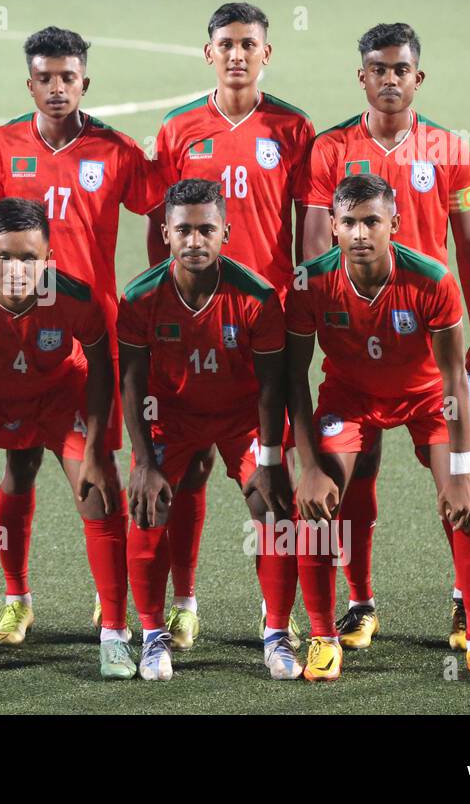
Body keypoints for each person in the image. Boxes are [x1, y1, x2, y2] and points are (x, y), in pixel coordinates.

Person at [0, 26, 167, 642]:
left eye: (67, 78)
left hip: (92, 340)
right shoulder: (1, 145)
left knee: (98, 472)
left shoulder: (116, 150)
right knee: (18, 468)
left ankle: (113, 616)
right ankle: (17, 598)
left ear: (85, 82)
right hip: (17, 336)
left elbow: (162, 207)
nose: (56, 88)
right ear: (30, 83)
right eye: (45, 78)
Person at [302, 23, 470, 651]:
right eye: (378, 69)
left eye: (400, 69)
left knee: (461, 485)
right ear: (362, 76)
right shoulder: (331, 149)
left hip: (429, 341)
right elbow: (311, 244)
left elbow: (467, 247)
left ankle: (469, 609)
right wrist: (324, 305)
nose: (390, 79)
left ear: (418, 77)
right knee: (354, 484)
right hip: (356, 347)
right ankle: (359, 604)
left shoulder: (448, 148)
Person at [285, 174, 470, 686]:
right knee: (317, 510)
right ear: (333, 228)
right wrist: (307, 467)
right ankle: (324, 637)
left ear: (396, 224)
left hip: (429, 396)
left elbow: (455, 379)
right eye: (349, 222)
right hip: (350, 397)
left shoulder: (432, 279)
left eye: (371, 221)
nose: (361, 233)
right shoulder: (309, 283)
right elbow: (294, 379)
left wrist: (460, 469)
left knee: (468, 507)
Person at [143, 1, 315, 647]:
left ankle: (279, 615)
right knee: (185, 473)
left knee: (271, 476)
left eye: (249, 43)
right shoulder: (179, 128)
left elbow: (312, 225)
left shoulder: (294, 128)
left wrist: (302, 303)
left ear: (266, 53)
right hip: (188, 326)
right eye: (226, 43)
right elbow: (157, 231)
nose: (237, 53)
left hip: (264, 333)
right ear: (208, 52)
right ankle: (184, 604)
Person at [0, 198, 128, 680]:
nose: (17, 270)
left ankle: (115, 637)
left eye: (29, 259)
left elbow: (101, 369)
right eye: (5, 259)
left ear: (49, 259)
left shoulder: (78, 297)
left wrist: (97, 450)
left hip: (56, 396)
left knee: (99, 495)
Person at [119, 179, 298, 681]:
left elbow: (270, 387)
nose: (195, 242)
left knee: (276, 509)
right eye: (184, 231)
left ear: (226, 232)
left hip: (243, 417)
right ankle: (154, 634)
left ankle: (277, 632)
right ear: (165, 233)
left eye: (206, 230)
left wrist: (268, 461)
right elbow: (131, 385)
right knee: (148, 506)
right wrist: (144, 463)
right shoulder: (139, 297)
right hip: (170, 418)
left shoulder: (258, 297)